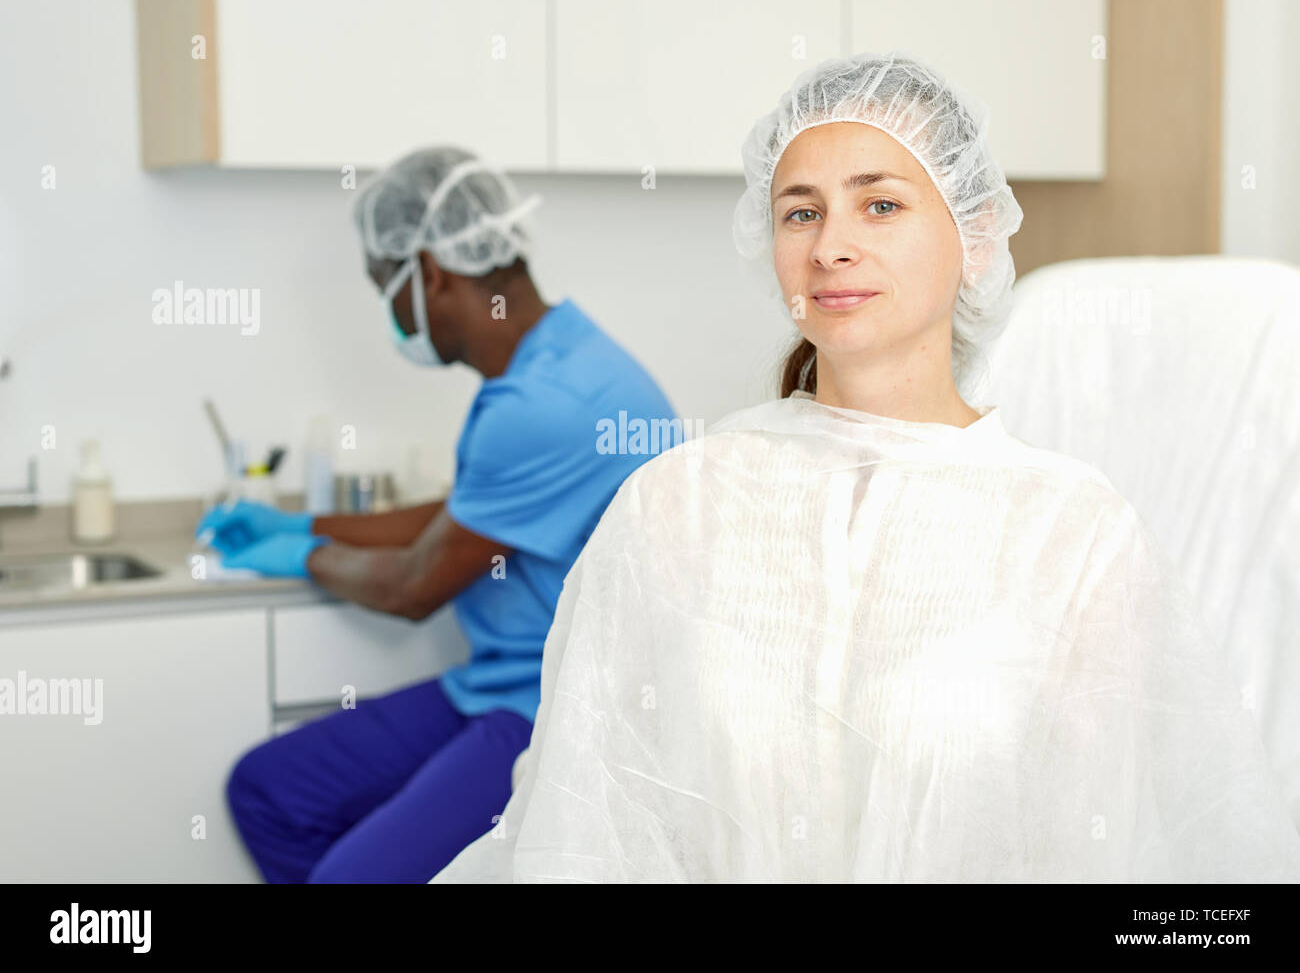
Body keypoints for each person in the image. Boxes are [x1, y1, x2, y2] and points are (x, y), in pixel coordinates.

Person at [430, 52, 1300, 882]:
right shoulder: (678, 503)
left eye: (880, 204)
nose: (830, 246)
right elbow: (586, 825)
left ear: (976, 235)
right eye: (800, 212)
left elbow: (1114, 846)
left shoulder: (1073, 538)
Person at [199, 146, 679, 882]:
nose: (391, 321)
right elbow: (465, 516)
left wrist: (302, 557)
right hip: (495, 683)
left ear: (428, 274)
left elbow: (412, 587)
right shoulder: (559, 357)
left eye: (383, 290)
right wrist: (305, 526)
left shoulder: (544, 403)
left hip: (559, 711)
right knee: (271, 791)